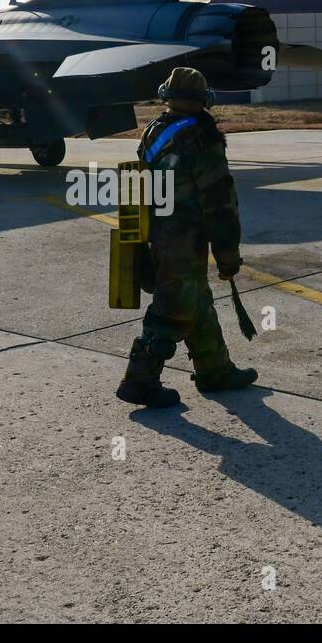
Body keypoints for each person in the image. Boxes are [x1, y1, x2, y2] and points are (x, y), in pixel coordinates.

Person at [116, 67, 258, 408]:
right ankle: (139, 379)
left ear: (167, 95)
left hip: (159, 232)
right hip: (186, 238)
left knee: (197, 301)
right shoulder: (201, 138)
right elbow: (220, 204)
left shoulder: (154, 130)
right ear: (204, 99)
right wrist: (227, 255)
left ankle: (214, 370)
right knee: (173, 307)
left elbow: (139, 183)